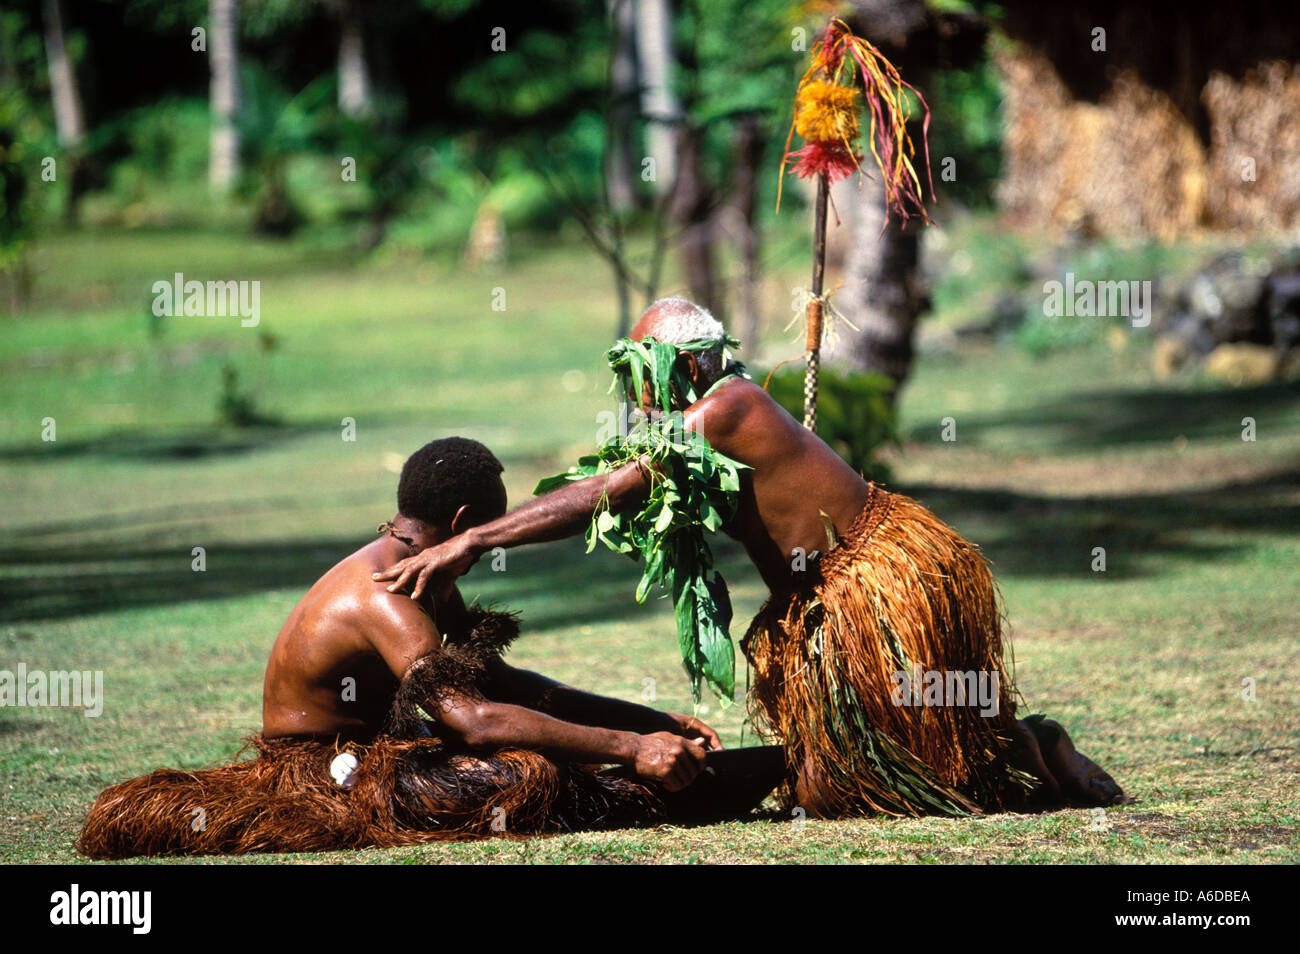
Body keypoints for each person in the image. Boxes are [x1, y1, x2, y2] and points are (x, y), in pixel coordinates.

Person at [375, 299, 1131, 818]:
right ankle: (1021, 741)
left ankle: (1030, 743)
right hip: (829, 598)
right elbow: (616, 493)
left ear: (689, 365)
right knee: (834, 788)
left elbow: (607, 491)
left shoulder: (728, 409)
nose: (640, 399)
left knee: (857, 794)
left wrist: (475, 538)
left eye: (647, 377)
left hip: (877, 585)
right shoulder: (707, 424)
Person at [79, 437, 783, 859]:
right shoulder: (387, 596)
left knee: (535, 765)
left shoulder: (422, 568)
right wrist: (630, 751)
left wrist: (644, 722)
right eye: (492, 528)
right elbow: (472, 720)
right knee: (525, 778)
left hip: (377, 757)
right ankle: (659, 791)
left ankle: (668, 780)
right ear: (463, 522)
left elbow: (503, 683)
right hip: (328, 777)